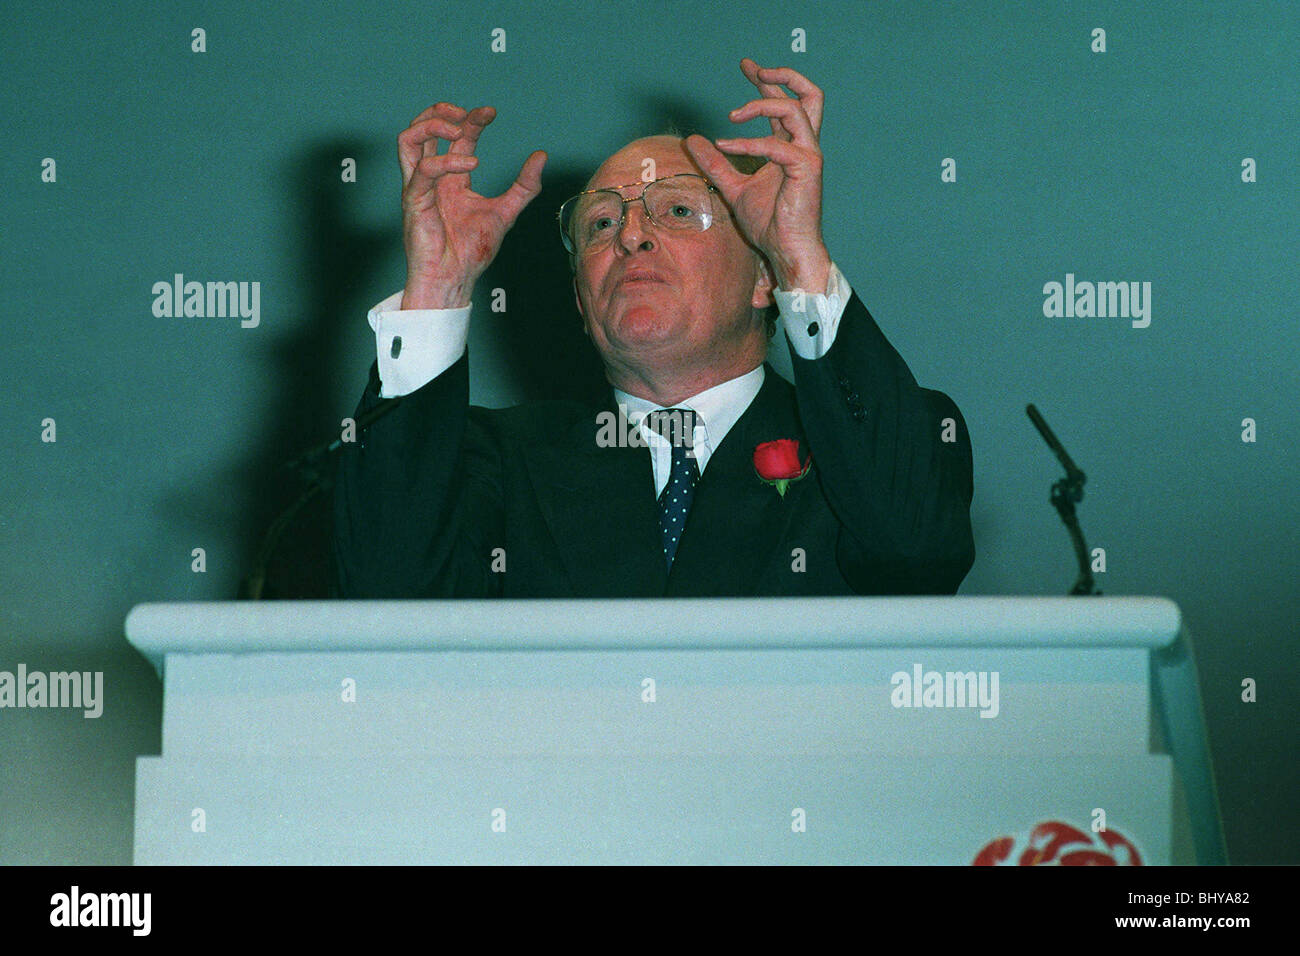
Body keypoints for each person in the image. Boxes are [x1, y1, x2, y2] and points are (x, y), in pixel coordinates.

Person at [333, 58, 975, 598]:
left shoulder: (878, 444)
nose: (632, 235)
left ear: (762, 279)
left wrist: (798, 257)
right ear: (582, 304)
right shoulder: (496, 461)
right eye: (601, 224)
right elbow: (385, 588)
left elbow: (916, 556)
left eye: (676, 210)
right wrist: (437, 288)